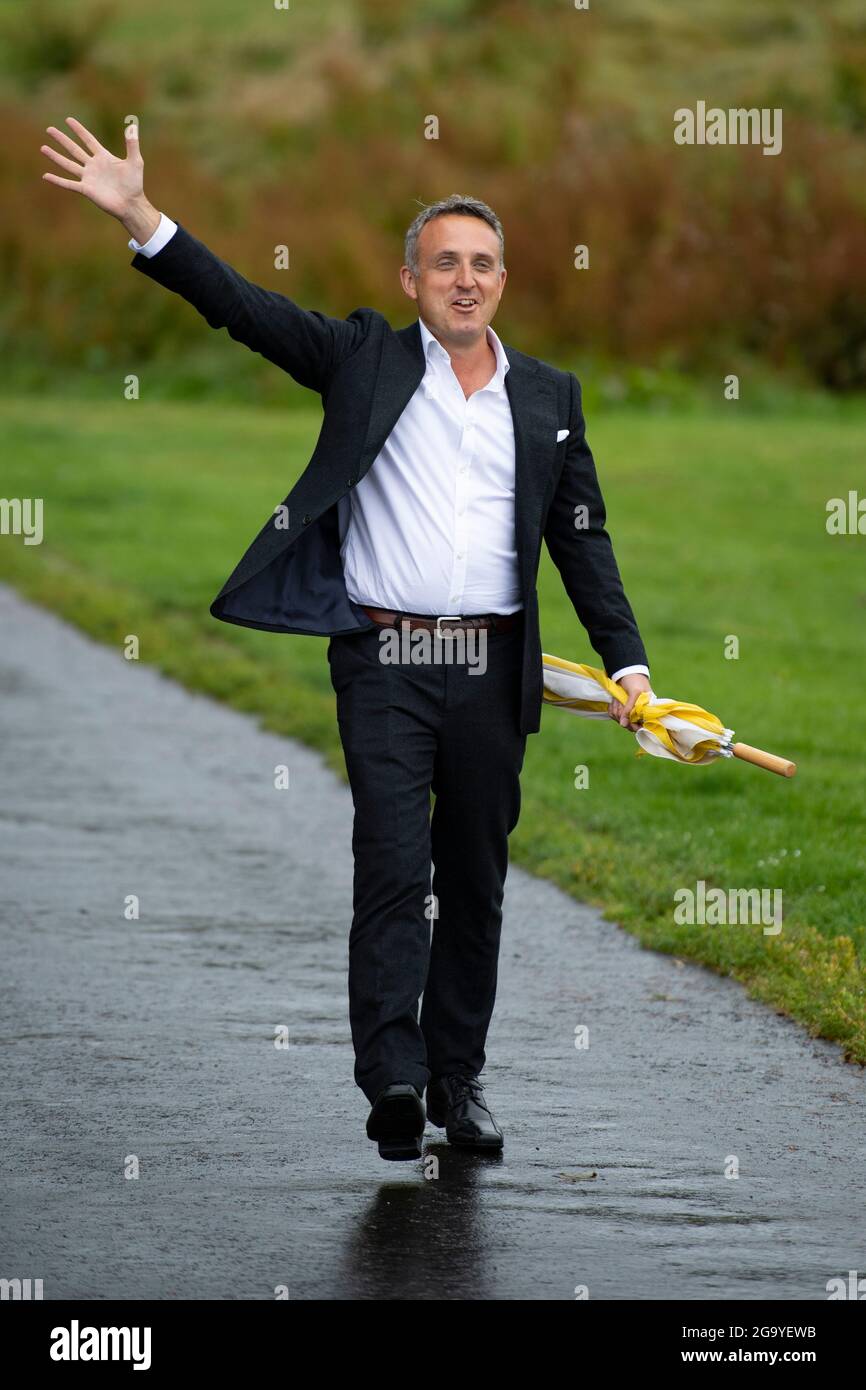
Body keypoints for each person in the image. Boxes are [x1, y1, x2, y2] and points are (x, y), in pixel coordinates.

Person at [41, 117, 652, 1161]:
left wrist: (628, 664)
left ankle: (460, 1081)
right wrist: (144, 217)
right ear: (409, 277)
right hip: (384, 658)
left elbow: (580, 538)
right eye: (443, 263)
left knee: (473, 878)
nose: (464, 281)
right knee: (390, 861)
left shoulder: (549, 397)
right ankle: (395, 1082)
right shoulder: (361, 356)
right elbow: (244, 308)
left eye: (483, 265)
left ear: (503, 280)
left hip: (493, 664)